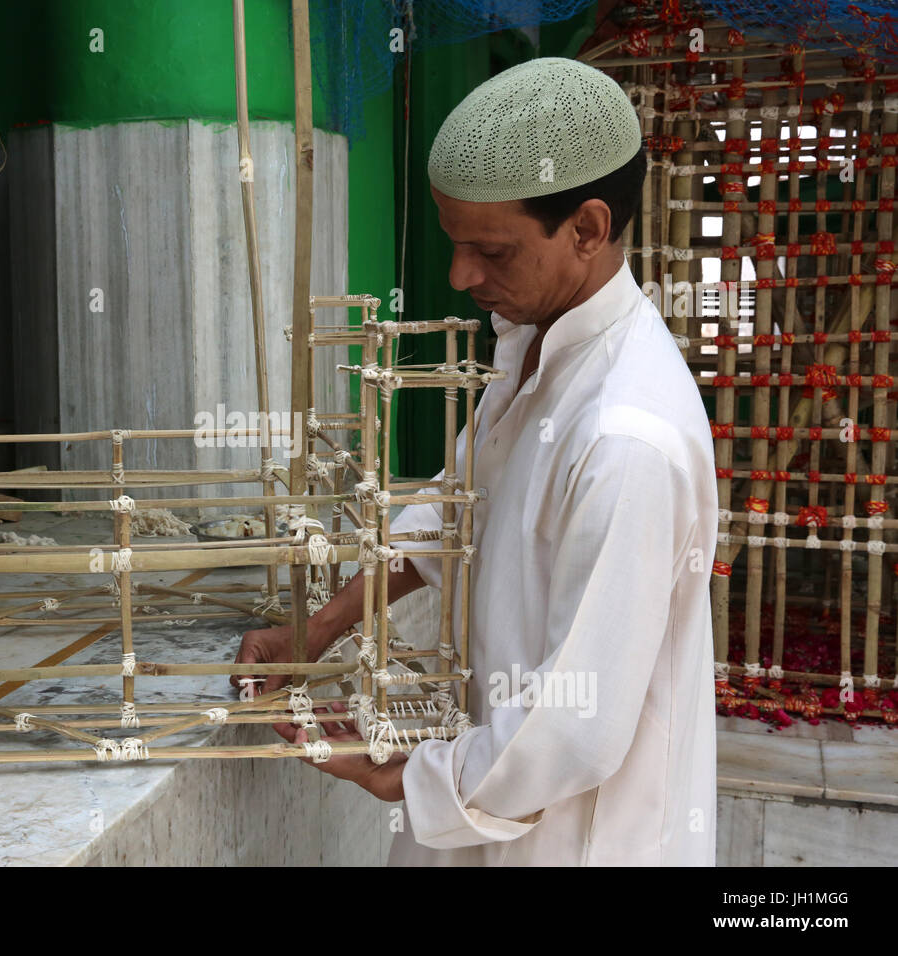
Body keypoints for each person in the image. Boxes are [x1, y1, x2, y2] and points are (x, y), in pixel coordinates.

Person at [231, 56, 718, 866]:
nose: (462, 276)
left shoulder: (627, 436)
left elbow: (576, 724)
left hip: (578, 836)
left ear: (589, 230)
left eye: (490, 250)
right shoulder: (530, 348)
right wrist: (315, 629)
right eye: (455, 245)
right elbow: (454, 508)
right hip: (488, 781)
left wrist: (401, 775)